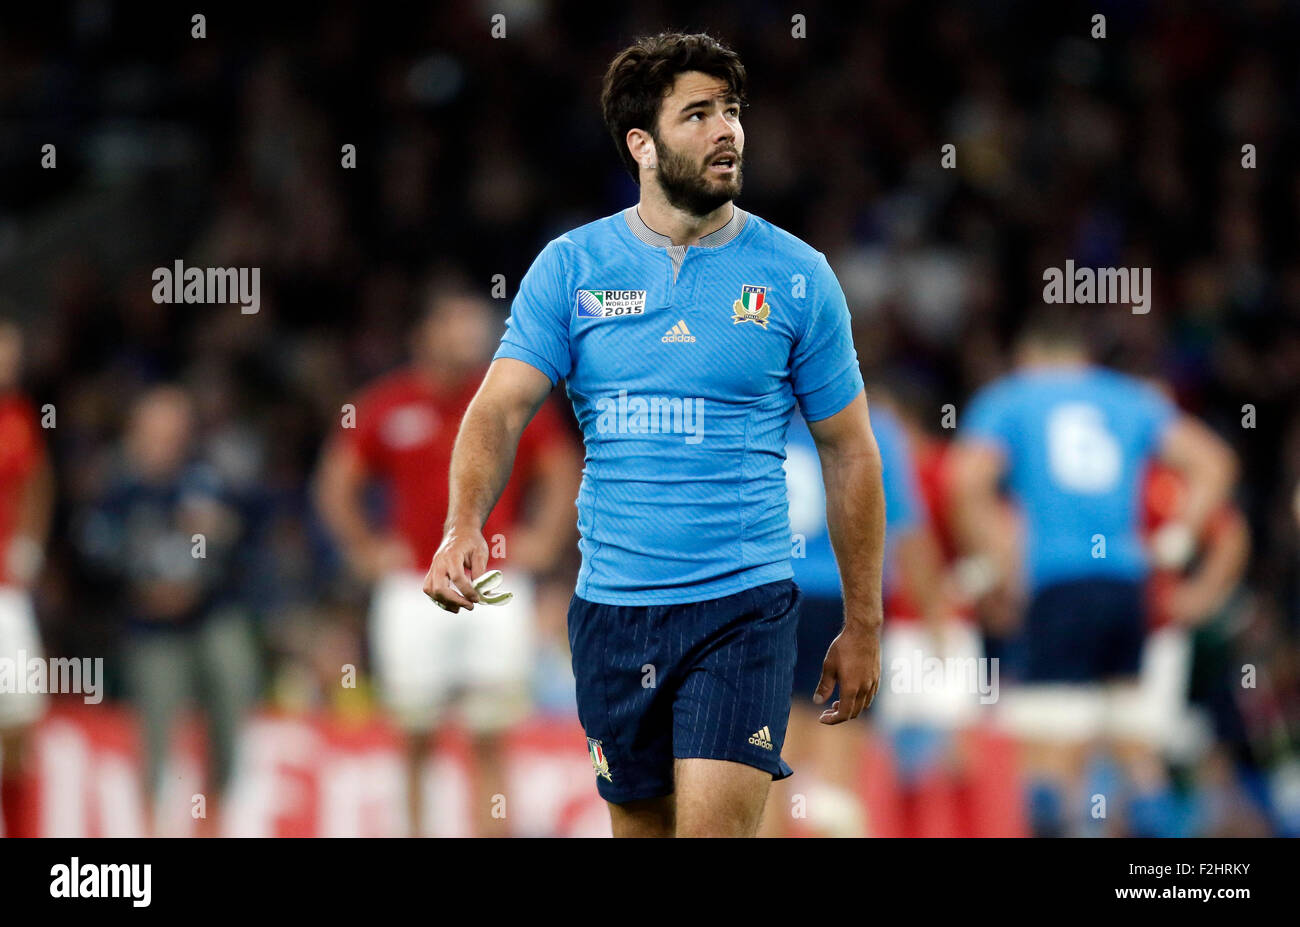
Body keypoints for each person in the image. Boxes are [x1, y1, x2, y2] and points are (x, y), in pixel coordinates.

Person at [423, 32, 888, 838]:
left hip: (742, 605)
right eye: (697, 114)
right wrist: (464, 523)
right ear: (642, 143)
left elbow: (849, 448)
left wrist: (865, 621)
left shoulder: (797, 275)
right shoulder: (571, 268)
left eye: (731, 110)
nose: (726, 129)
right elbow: (498, 408)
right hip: (613, 611)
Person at [948, 311, 1237, 836]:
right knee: (1134, 745)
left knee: (1049, 752)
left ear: (1028, 356)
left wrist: (996, 563)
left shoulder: (1009, 398)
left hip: (1058, 584)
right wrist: (1179, 538)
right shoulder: (1130, 398)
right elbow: (1214, 462)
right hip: (1125, 585)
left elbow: (966, 481)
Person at [315, 284, 580, 837]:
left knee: (491, 735)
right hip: (413, 585)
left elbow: (561, 468)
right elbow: (336, 481)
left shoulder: (506, 398)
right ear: (426, 334)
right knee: (415, 735)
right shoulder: (389, 403)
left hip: (493, 585)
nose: (472, 336)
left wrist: (543, 540)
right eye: (457, 324)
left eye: (475, 325)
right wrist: (363, 548)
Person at [77, 385, 258, 835]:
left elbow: (240, 544)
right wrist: (141, 587)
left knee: (232, 673)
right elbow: (92, 555)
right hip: (150, 624)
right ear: (135, 433)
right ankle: (151, 824)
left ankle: (214, 816)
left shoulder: (206, 481)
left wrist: (212, 547)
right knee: (156, 720)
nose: (166, 443)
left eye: (175, 433)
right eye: (157, 433)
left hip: (207, 612)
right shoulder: (116, 489)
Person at [761, 401, 942, 837]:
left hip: (767, 598)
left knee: (768, 760)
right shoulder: (870, 425)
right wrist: (936, 616)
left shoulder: (754, 415)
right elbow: (907, 532)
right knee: (837, 758)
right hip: (846, 603)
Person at [0, 322, 53, 838]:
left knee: (18, 719)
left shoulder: (19, 418)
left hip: (5, 594)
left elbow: (38, 482)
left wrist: (29, 547)